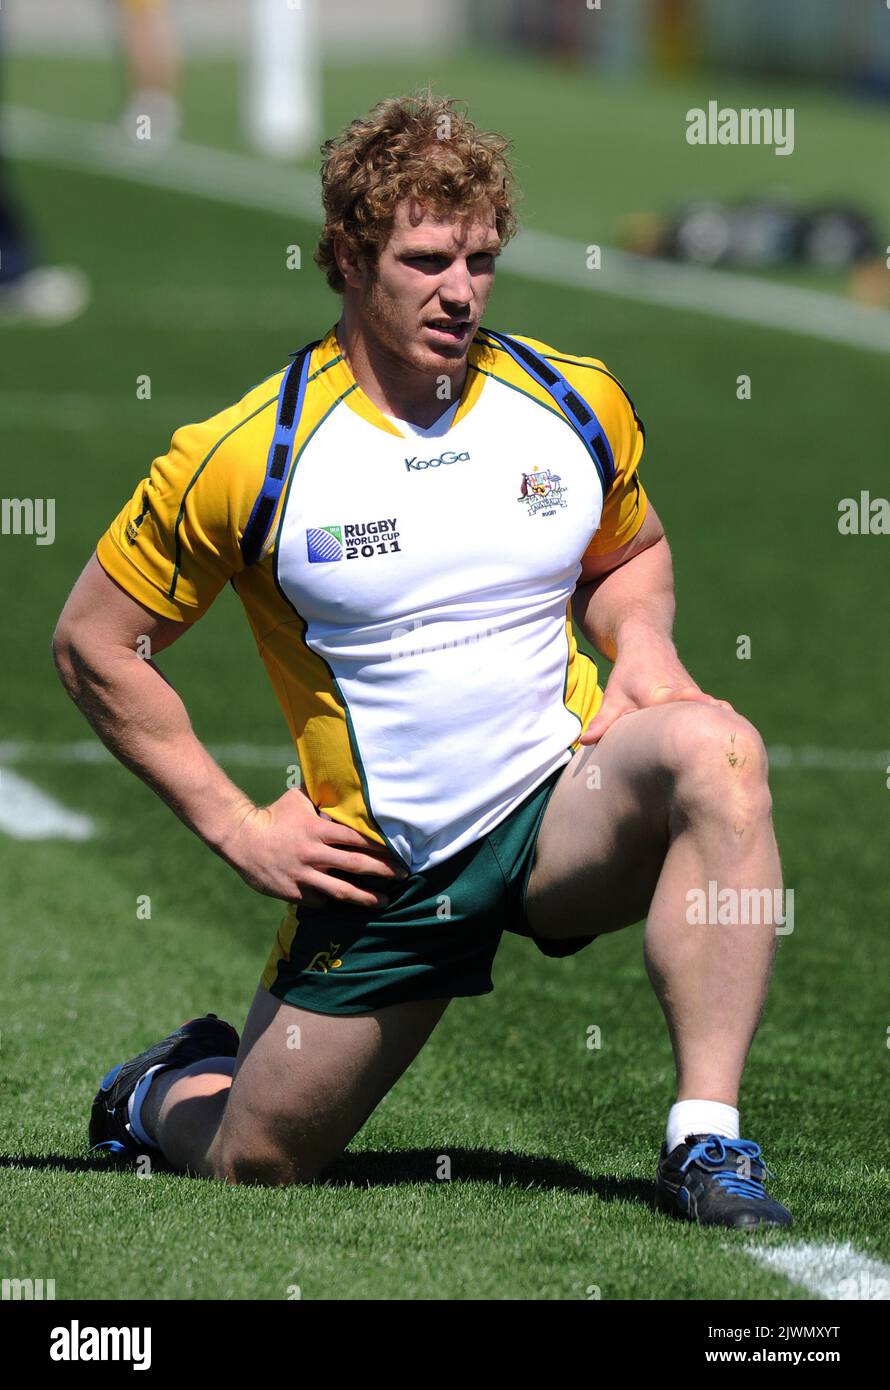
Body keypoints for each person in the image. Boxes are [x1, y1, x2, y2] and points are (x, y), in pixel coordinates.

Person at [53, 93, 791, 1228]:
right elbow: (97, 643)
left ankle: (706, 1141)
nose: (459, 290)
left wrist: (642, 646)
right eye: (427, 259)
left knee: (718, 753)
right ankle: (159, 1089)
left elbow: (629, 549)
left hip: (558, 798)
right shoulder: (251, 454)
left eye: (481, 260)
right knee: (258, 1164)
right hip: (384, 863)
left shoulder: (569, 399)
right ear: (347, 259)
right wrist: (236, 825)